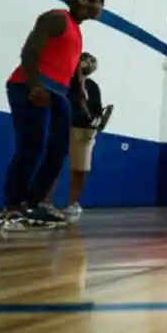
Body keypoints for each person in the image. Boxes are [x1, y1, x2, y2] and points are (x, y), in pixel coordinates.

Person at [0, 0, 104, 230]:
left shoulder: (77, 32)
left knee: (58, 150)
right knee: (31, 148)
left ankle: (35, 204)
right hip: (29, 86)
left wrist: (80, 97)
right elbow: (30, 51)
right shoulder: (56, 18)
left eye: (99, 3)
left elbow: (73, 68)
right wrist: (35, 85)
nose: (96, 6)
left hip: (59, 93)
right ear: (75, 0)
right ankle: (12, 208)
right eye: (90, 0)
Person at [61, 52, 109, 220]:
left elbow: (96, 110)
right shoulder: (64, 81)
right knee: (51, 163)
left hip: (83, 130)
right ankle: (42, 202)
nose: (89, 63)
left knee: (80, 169)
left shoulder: (92, 86)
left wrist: (95, 122)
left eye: (92, 61)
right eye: (85, 59)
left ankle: (72, 203)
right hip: (61, 125)